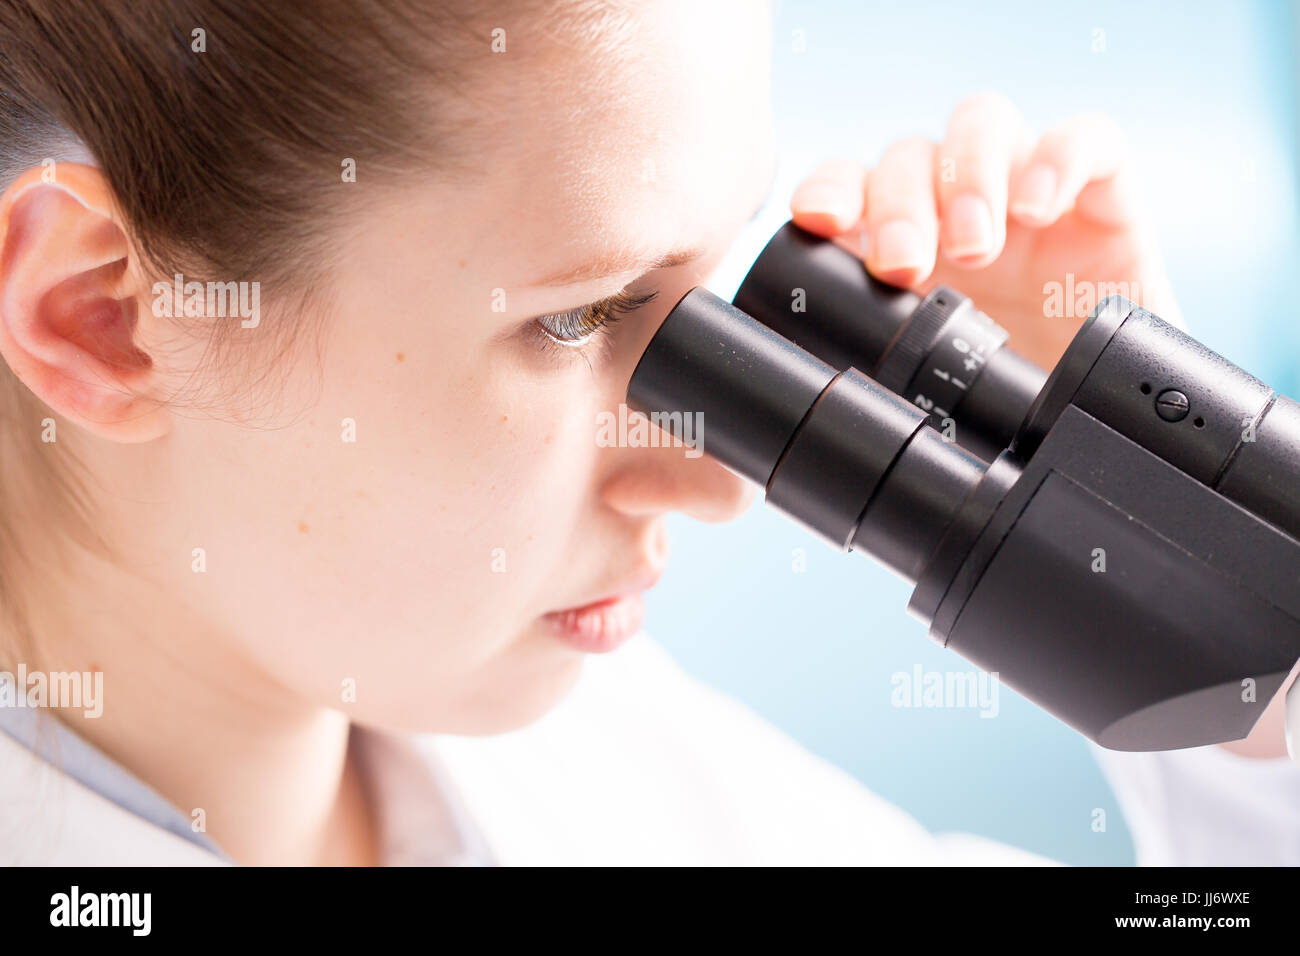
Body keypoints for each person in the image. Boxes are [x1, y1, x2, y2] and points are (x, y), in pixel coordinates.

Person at [0, 0, 1294, 867]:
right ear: (101, 316)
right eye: (578, 319)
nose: (716, 480)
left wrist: (1198, 568)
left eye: (723, 283)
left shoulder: (608, 762)